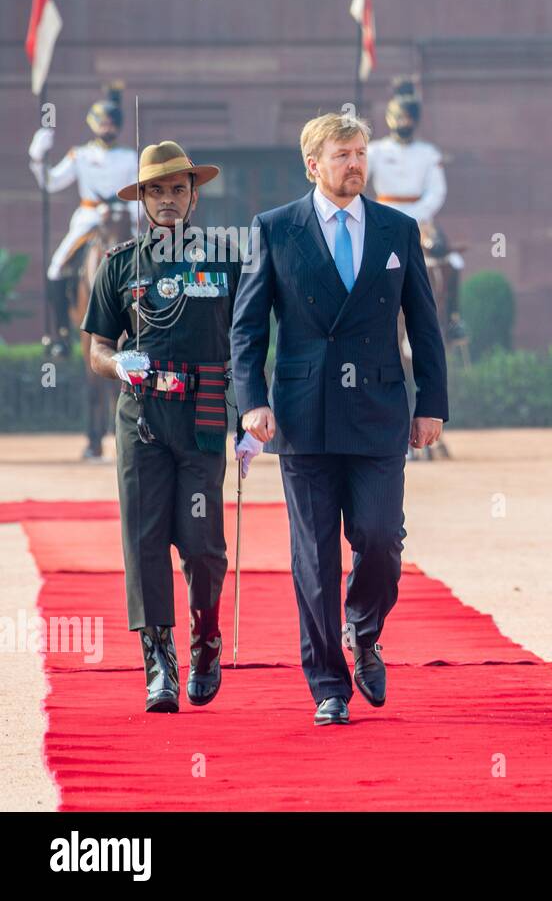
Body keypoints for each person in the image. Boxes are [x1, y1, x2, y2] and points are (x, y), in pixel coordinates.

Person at [231, 112, 449, 726]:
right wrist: (251, 401)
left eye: (361, 152)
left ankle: (364, 630)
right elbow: (247, 329)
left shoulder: (397, 229)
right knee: (315, 557)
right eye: (342, 154)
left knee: (380, 540)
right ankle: (327, 681)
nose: (356, 163)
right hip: (303, 417)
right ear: (313, 165)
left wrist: (431, 402)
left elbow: (424, 324)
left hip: (380, 410)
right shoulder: (275, 229)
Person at [80, 141, 244, 712]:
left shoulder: (226, 261)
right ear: (143, 200)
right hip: (143, 418)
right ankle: (159, 660)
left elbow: (247, 343)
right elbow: (97, 348)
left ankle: (205, 637)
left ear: (194, 196)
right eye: (157, 191)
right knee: (145, 542)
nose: (168, 200)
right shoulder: (120, 265)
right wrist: (115, 362)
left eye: (178, 189)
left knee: (201, 546)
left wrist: (249, 411)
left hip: (201, 419)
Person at [29, 81, 137, 360]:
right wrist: (38, 157)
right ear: (94, 124)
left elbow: (138, 192)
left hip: (124, 217)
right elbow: (51, 183)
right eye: (103, 123)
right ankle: (61, 334)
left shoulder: (130, 157)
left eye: (113, 123)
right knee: (56, 267)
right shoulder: (81, 155)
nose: (108, 128)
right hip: (89, 218)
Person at [368, 76, 464, 340]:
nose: (403, 123)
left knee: (448, 257)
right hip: (381, 216)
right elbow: (358, 182)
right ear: (389, 118)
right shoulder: (374, 151)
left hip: (420, 219)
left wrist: (414, 216)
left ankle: (453, 320)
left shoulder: (429, 154)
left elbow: (437, 191)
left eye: (408, 118)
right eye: (399, 118)